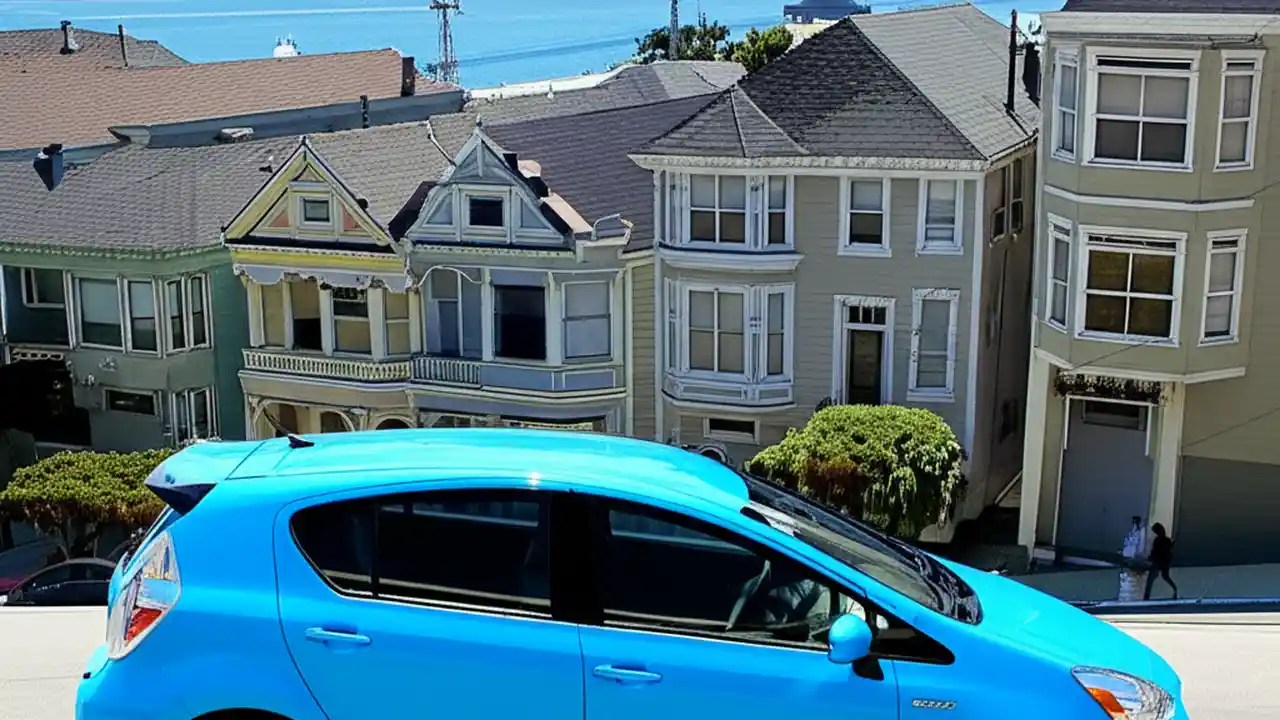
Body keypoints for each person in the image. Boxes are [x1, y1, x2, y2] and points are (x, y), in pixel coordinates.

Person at [1143, 523, 1178, 600]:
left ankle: (1146, 596)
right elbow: (1168, 550)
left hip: (1159, 561)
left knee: (1151, 578)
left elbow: (1155, 552)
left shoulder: (1158, 540)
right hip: (1165, 561)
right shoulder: (1166, 540)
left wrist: (1150, 559)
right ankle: (1175, 589)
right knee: (1165, 576)